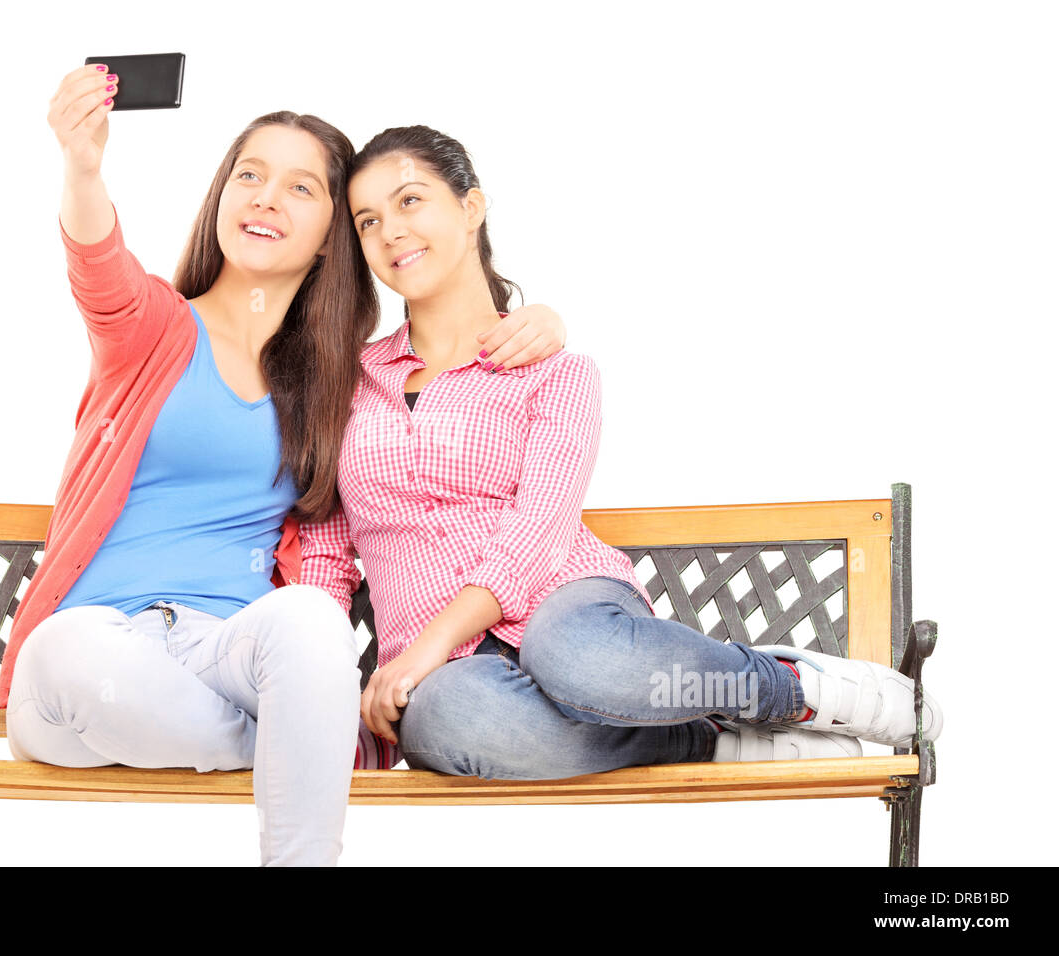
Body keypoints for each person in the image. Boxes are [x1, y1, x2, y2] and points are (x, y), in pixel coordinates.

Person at [0, 69, 568, 865]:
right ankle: (295, 741)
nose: (265, 197)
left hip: (228, 654)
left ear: (336, 232)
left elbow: (450, 360)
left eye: (301, 188)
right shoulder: (154, 329)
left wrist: (537, 319)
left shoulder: (341, 383)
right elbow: (98, 267)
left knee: (310, 618)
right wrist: (83, 167)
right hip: (96, 662)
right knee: (67, 653)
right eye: (250, 175)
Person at [299, 125, 944, 780]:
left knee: (582, 660)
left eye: (410, 201)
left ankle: (797, 689)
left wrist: (425, 647)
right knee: (452, 723)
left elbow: (536, 536)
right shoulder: (344, 387)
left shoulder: (558, 370)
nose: (390, 232)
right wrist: (326, 694)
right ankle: (705, 740)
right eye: (368, 219)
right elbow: (324, 553)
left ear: (470, 208)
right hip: (446, 675)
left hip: (563, 605)